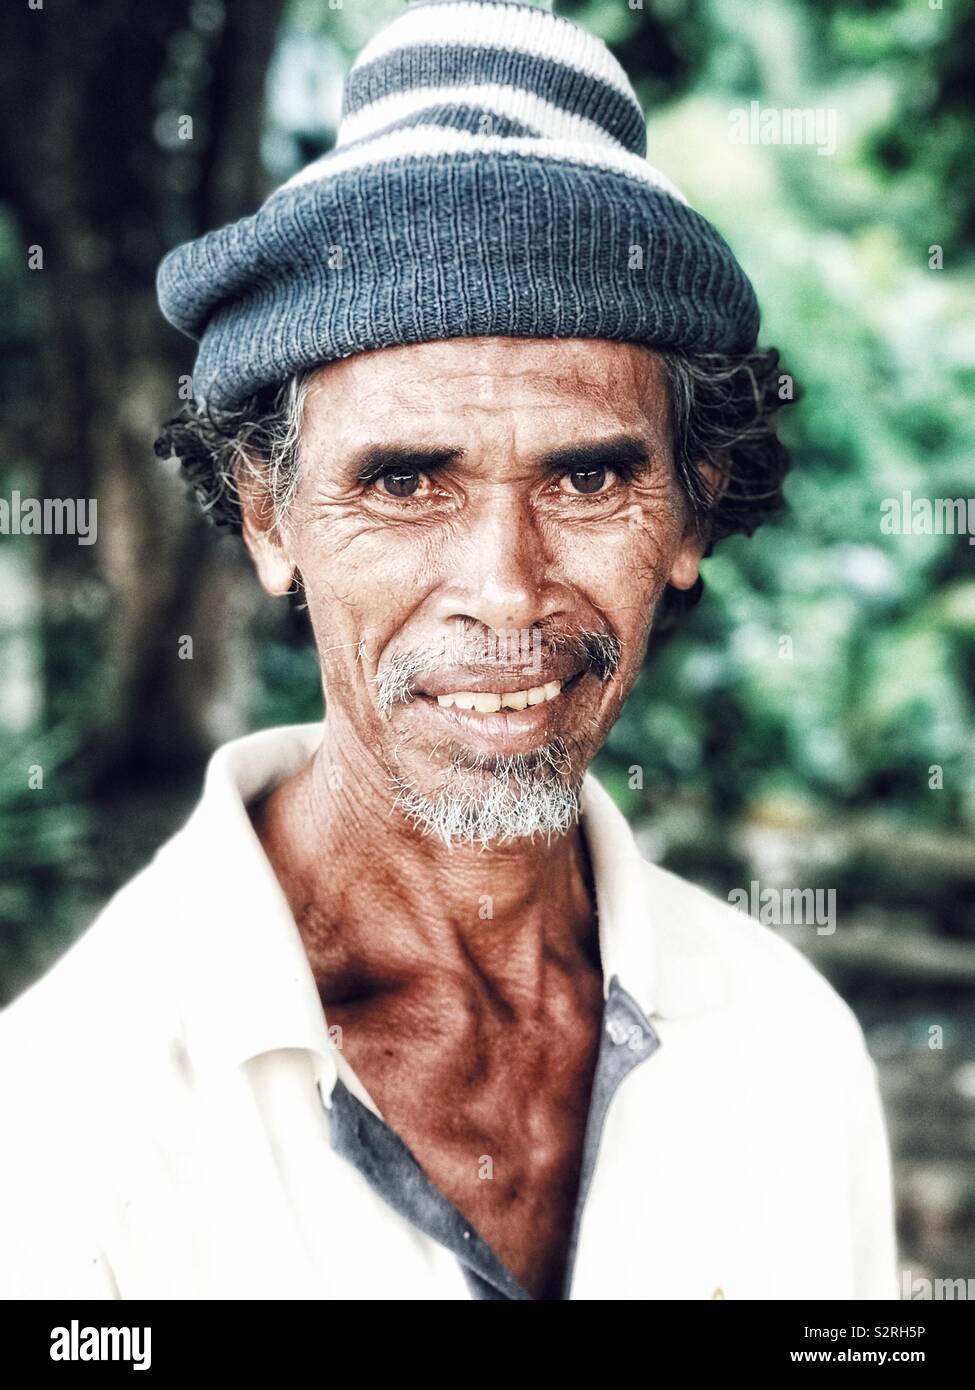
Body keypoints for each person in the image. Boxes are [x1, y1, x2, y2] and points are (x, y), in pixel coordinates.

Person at [0, 0, 898, 1300]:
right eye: (409, 480)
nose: (506, 587)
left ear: (694, 506)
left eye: (589, 477)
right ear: (270, 515)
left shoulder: (791, 1048)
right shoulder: (65, 1126)